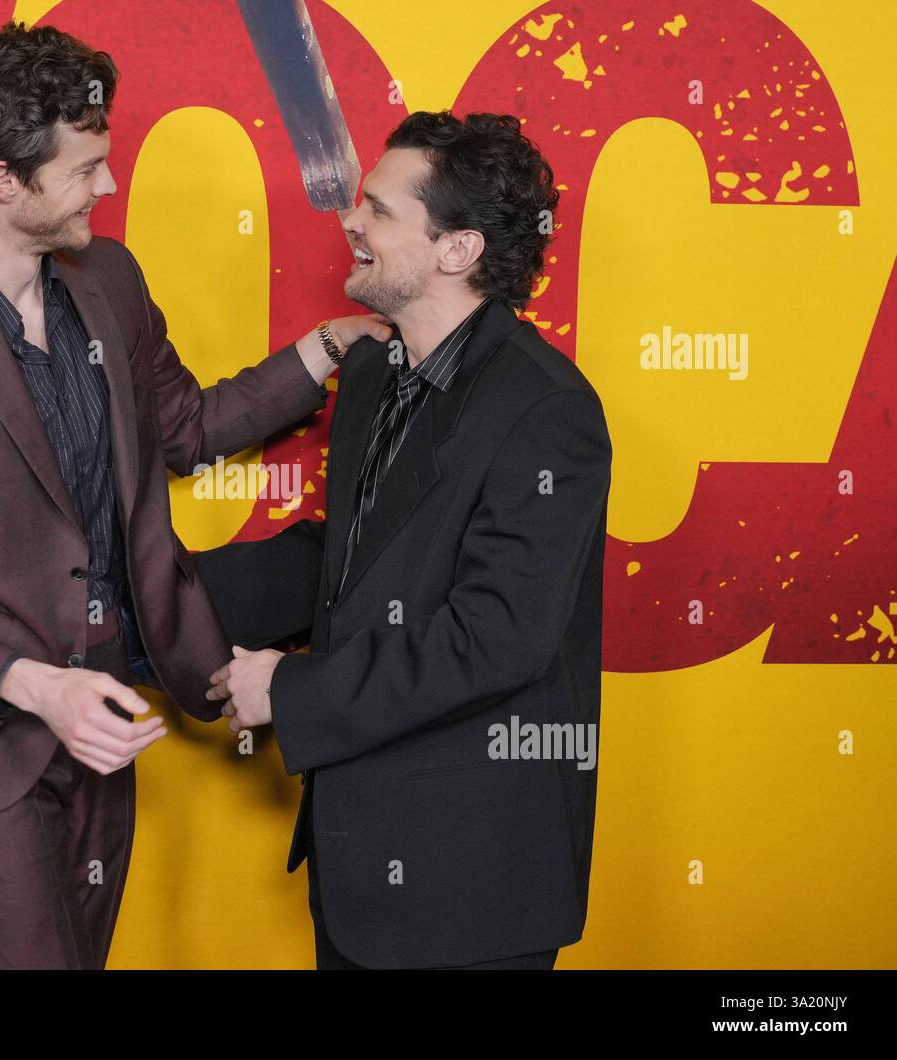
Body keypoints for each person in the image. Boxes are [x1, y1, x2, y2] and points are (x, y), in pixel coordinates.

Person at [0, 21, 389, 970]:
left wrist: (321, 350)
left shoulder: (108, 279)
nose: (108, 186)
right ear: (4, 181)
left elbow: (186, 431)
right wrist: (37, 687)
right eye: (86, 169)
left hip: (108, 719)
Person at [201, 111, 612, 969]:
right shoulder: (372, 373)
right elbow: (351, 559)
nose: (350, 221)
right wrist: (151, 589)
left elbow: (499, 636)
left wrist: (295, 691)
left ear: (457, 250)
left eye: (379, 210)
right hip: (358, 876)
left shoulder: (547, 411)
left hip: (467, 891)